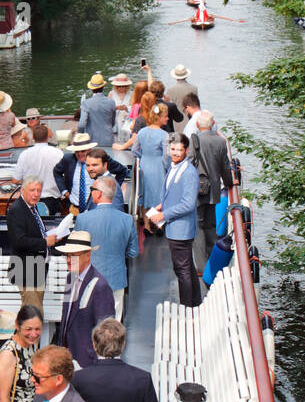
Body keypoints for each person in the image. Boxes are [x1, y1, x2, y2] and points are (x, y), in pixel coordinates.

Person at [150, 133, 202, 308]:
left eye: (179, 150)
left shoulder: (188, 173)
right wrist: (161, 205)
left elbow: (188, 204)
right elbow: (173, 193)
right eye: (172, 149)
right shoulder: (174, 167)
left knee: (182, 269)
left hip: (182, 229)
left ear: (186, 151)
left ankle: (187, 306)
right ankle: (195, 302)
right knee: (187, 267)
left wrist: (164, 215)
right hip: (176, 227)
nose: (175, 153)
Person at [54, 230, 116, 369]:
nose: (68, 260)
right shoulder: (70, 278)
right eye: (67, 256)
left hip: (87, 363)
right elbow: (66, 318)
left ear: (87, 256)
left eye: (73, 256)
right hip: (67, 359)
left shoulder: (100, 286)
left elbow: (106, 332)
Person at [79, 175, 138, 318]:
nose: (91, 192)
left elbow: (77, 251)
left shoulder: (83, 219)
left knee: (90, 320)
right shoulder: (127, 219)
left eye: (92, 189)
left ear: (98, 193)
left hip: (89, 279)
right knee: (114, 321)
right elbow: (133, 251)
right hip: (116, 278)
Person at [190, 109, 234, 274]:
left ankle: (201, 266)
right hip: (214, 189)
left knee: (199, 225)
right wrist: (229, 183)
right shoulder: (220, 142)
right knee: (211, 225)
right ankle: (212, 261)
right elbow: (225, 167)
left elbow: (189, 163)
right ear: (213, 124)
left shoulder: (194, 141)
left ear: (197, 125)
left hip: (198, 188)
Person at [6, 176, 58, 312]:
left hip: (37, 270)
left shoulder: (32, 208)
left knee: (33, 313)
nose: (36, 194)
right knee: (33, 316)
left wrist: (46, 235)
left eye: (39, 191)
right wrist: (45, 242)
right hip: (27, 272)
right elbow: (19, 241)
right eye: (32, 190)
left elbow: (32, 232)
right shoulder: (16, 210)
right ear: (22, 190)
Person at [133, 101, 172, 224]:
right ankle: (157, 223)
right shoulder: (164, 135)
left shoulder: (142, 132)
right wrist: (168, 168)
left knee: (145, 193)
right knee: (158, 195)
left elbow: (134, 150)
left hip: (144, 164)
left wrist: (144, 156)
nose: (167, 118)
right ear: (159, 117)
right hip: (158, 167)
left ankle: (146, 225)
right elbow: (166, 156)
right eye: (165, 116)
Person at [13, 125, 64, 215]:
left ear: (32, 137)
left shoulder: (24, 154)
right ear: (48, 137)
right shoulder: (58, 153)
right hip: (53, 201)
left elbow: (15, 180)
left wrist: (26, 181)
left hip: (29, 200)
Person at [53, 132, 98, 213]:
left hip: (94, 209)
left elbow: (119, 171)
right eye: (77, 151)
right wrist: (65, 192)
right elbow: (56, 172)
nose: (79, 154)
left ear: (89, 150)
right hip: (74, 209)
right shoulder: (68, 159)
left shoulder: (99, 160)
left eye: (83, 151)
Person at [78, 73, 116, 148]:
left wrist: (80, 135)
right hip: (108, 139)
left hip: (92, 140)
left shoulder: (86, 103)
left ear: (91, 88)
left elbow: (81, 124)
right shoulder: (111, 102)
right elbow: (113, 122)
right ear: (103, 87)